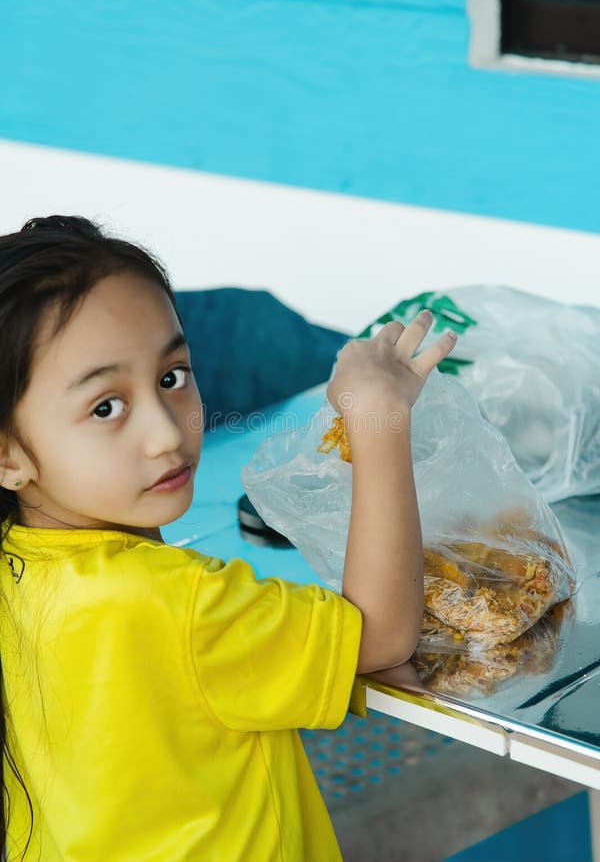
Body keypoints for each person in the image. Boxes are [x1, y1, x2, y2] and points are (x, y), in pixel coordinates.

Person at [0, 215, 457, 861]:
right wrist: (378, 417)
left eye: (171, 376)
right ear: (7, 455)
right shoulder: (171, 603)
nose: (165, 432)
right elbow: (380, 635)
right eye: (106, 406)